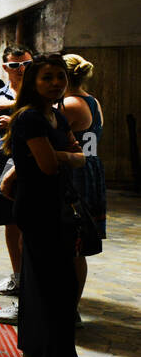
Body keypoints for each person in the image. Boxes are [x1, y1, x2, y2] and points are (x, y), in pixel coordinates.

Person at [0, 54, 115, 357]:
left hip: (51, 205)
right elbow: (54, 164)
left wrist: (63, 155)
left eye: (60, 78)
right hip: (41, 209)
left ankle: (39, 351)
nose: (55, 84)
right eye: (47, 77)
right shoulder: (33, 118)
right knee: (58, 287)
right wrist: (66, 155)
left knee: (44, 284)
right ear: (34, 81)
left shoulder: (53, 115)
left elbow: (79, 155)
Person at [0, 46, 33, 323]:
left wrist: (16, 119)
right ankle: (18, 279)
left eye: (26, 64)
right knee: (10, 226)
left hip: (26, 170)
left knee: (29, 231)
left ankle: (29, 293)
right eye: (15, 65)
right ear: (5, 68)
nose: (21, 69)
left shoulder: (39, 100)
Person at [59, 54, 106, 324]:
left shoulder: (69, 104)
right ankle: (69, 306)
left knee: (73, 244)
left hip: (74, 171)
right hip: (89, 167)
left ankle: (69, 309)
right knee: (76, 245)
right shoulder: (92, 100)